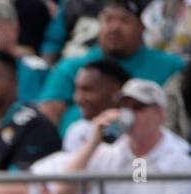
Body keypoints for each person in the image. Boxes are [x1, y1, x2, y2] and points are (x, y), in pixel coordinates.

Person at [36, 0, 185, 127]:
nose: (115, 28)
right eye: (108, 19)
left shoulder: (172, 66)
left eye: (124, 20)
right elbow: (48, 116)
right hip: (78, 151)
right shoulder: (70, 67)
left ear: (141, 27)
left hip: (148, 154)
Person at [50, 77, 191, 194]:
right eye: (124, 107)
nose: (129, 114)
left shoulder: (180, 155)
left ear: (160, 113)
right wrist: (93, 143)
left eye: (137, 107)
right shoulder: (108, 150)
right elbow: (63, 189)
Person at [61, 58, 130, 150]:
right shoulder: (76, 131)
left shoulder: (139, 132)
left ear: (116, 92)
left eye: (87, 90)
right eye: (76, 89)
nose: (77, 98)